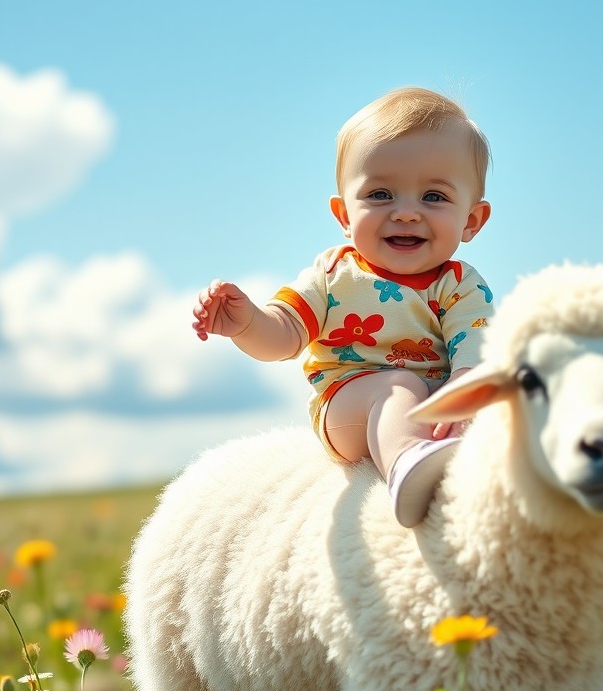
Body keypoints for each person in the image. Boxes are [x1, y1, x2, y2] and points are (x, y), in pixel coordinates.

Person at [192, 87, 494, 526]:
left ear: (471, 220)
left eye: (433, 197)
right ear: (344, 216)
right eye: (380, 195)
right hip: (349, 404)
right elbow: (284, 335)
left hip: (438, 404)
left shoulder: (461, 287)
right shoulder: (334, 275)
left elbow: (476, 356)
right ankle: (411, 467)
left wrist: (461, 405)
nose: (406, 212)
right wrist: (248, 323)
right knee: (397, 386)